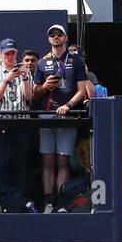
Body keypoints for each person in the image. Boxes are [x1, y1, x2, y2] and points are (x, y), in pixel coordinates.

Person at [33, 23, 88, 213]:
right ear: (49, 39)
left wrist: (68, 106)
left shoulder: (76, 60)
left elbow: (82, 91)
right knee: (48, 160)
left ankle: (62, 203)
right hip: (46, 115)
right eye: (52, 35)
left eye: (59, 35)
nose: (56, 38)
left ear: (65, 38)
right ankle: (49, 202)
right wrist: (46, 86)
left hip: (68, 115)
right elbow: (35, 93)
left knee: (63, 160)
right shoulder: (42, 62)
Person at [0, 38, 32, 213]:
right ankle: (1, 202)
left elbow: (29, 97)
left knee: (20, 166)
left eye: (12, 53)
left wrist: (25, 77)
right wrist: (6, 80)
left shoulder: (24, 70)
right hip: (1, 125)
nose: (10, 56)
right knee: (1, 166)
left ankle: (20, 202)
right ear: (0, 54)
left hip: (20, 124)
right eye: (7, 53)